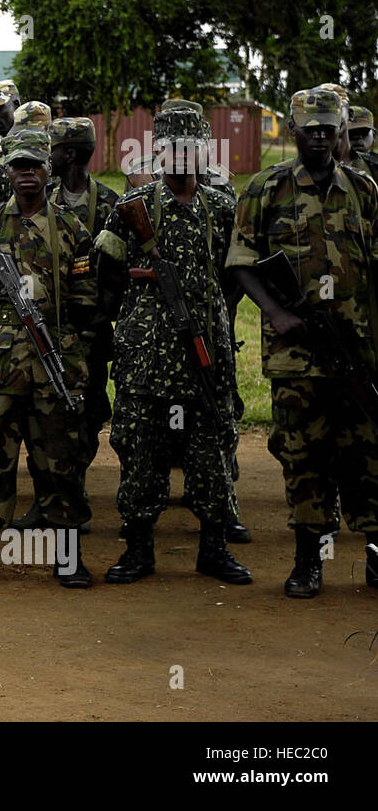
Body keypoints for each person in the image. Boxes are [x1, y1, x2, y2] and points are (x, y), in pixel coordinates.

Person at [227, 86, 378, 597]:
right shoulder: (265, 190)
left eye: (328, 130)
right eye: (310, 129)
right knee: (304, 457)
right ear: (293, 132)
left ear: (340, 133)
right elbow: (242, 260)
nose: (319, 137)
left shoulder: (363, 188)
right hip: (297, 357)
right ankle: (307, 562)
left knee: (367, 455)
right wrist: (275, 312)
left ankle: (375, 555)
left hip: (357, 351)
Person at [95, 109, 249, 586]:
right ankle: (139, 549)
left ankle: (214, 548)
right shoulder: (133, 205)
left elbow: (237, 273)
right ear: (158, 153)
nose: (182, 158)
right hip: (147, 357)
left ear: (205, 153)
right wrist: (143, 295)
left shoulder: (223, 208)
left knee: (211, 450)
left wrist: (212, 316)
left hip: (206, 354)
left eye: (192, 148)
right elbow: (107, 272)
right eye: (173, 149)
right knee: (141, 450)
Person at [0, 129, 95, 587]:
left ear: (49, 170)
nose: (27, 173)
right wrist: (2, 328)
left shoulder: (73, 229)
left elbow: (85, 301)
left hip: (54, 361)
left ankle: (67, 556)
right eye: (18, 165)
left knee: (59, 464)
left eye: (35, 164)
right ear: (7, 172)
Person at [13, 116, 118, 530]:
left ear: (67, 154)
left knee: (87, 415)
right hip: (43, 334)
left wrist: (95, 325)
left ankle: (72, 492)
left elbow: (114, 275)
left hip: (90, 332)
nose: (45, 157)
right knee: (43, 423)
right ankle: (47, 499)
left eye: (51, 148)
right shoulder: (42, 199)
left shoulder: (108, 204)